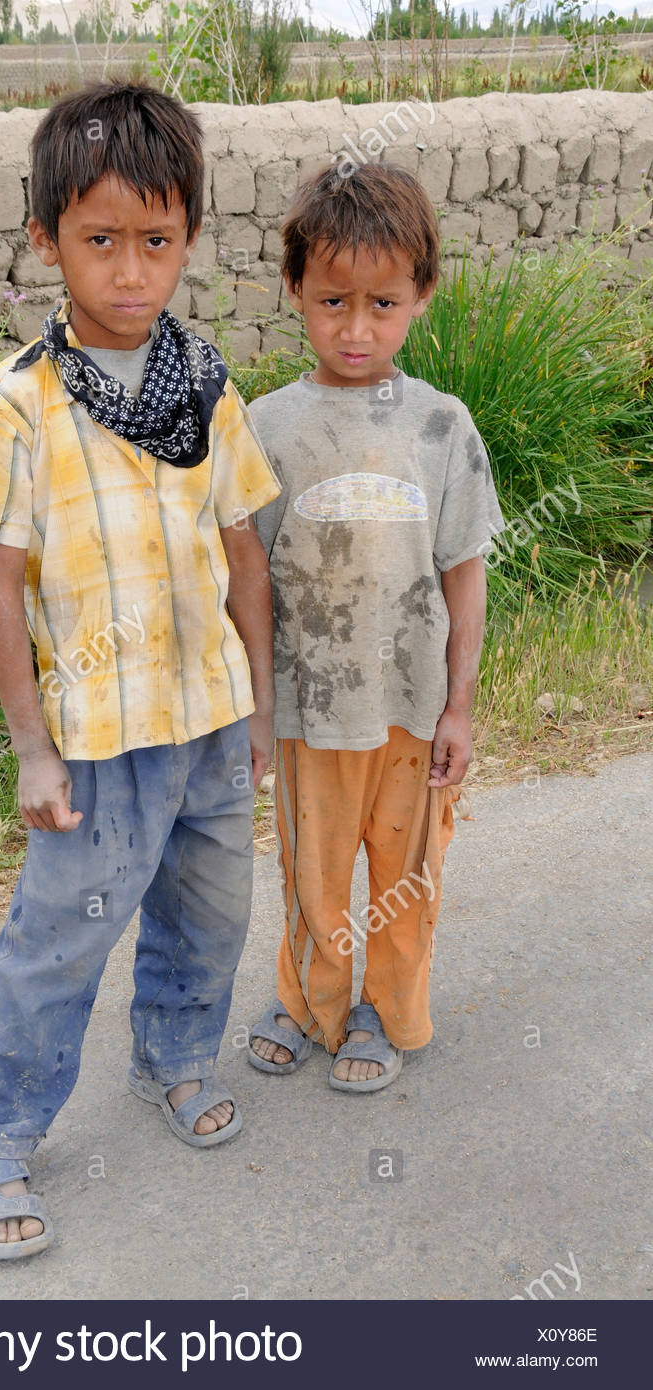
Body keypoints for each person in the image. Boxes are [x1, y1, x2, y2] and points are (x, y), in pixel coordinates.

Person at [0, 82, 280, 1260]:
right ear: (46, 240)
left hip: (206, 720)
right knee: (60, 939)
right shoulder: (16, 406)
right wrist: (30, 744)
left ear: (186, 238)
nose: (129, 271)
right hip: (93, 737)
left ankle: (174, 1060)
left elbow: (241, 547)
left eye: (156, 241)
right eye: (98, 241)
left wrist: (260, 705)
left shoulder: (207, 384)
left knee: (209, 910)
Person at [246, 162, 505, 1093]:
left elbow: (463, 573)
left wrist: (460, 708)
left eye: (382, 304)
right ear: (294, 290)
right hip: (310, 714)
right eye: (332, 302)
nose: (356, 330)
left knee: (405, 878)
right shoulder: (267, 426)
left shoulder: (442, 428)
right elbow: (251, 581)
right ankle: (310, 1001)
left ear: (422, 295)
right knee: (310, 877)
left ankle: (384, 1013)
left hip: (410, 709)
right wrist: (257, 708)